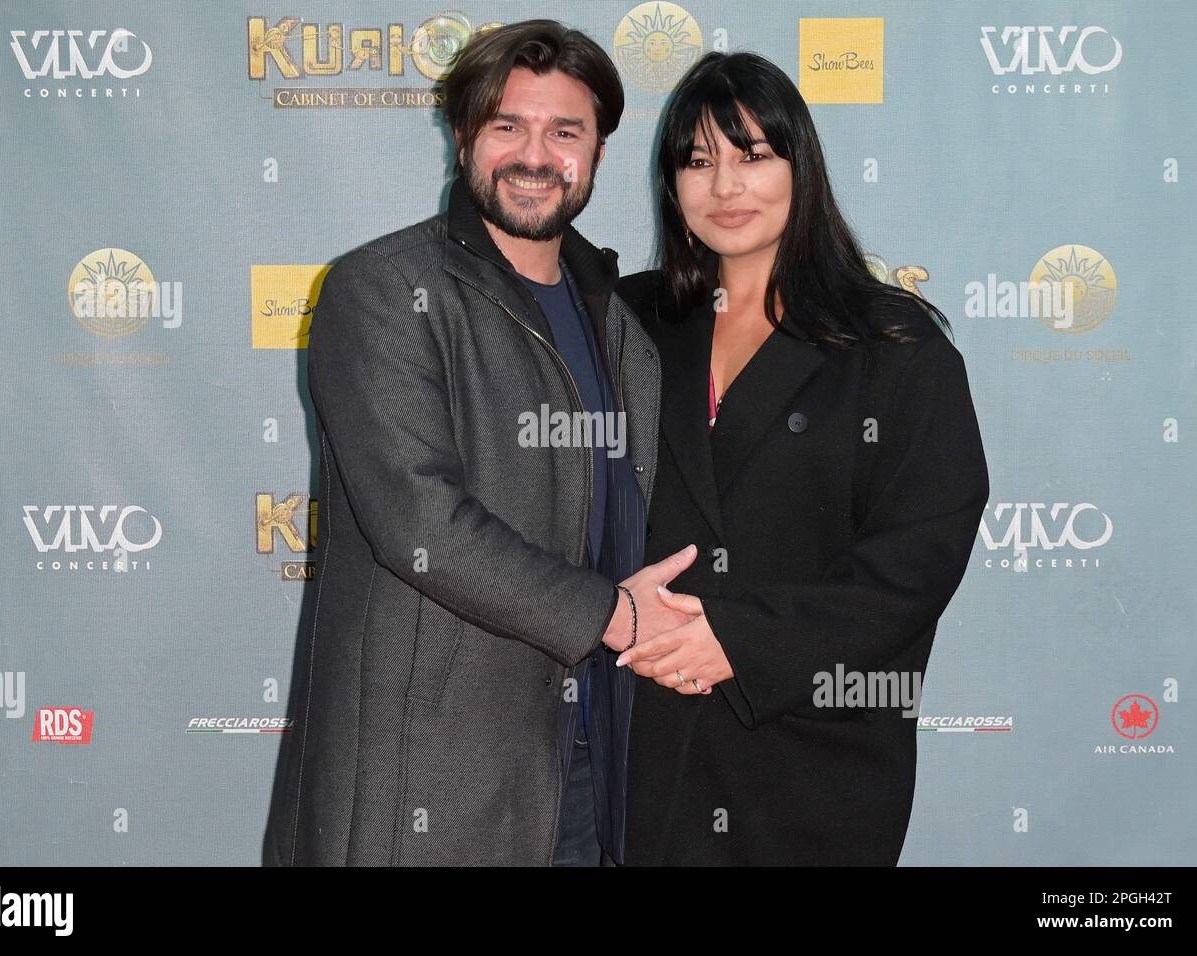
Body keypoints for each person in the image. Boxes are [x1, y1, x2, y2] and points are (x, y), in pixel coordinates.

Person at [263, 20, 697, 867]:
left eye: (564, 132)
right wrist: (614, 613)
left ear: (599, 152)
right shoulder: (385, 290)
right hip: (434, 786)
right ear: (463, 137)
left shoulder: (618, 319)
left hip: (586, 771)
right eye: (508, 126)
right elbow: (421, 524)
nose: (535, 155)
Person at [615, 51, 990, 865]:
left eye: (753, 155)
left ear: (802, 167)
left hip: (813, 767)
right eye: (698, 161)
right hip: (642, 758)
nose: (725, 187)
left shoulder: (894, 343)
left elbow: (916, 560)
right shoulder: (628, 320)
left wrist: (744, 643)